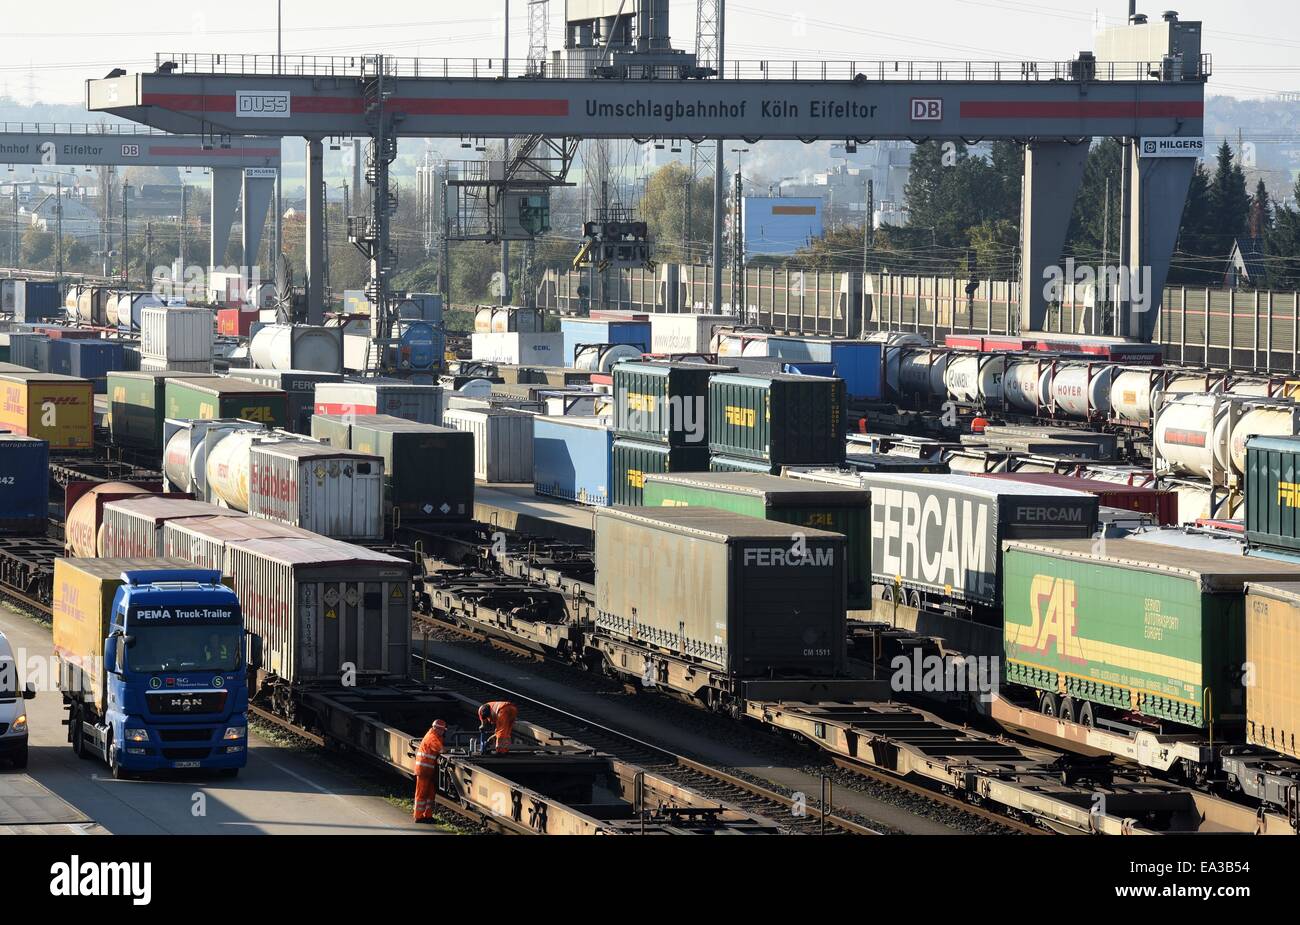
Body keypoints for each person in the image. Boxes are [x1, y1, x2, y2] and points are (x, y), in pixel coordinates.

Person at [412, 719, 446, 823]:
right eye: (442, 730)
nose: (443, 732)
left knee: (430, 794)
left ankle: (427, 815)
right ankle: (418, 816)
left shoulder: (436, 737)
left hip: (428, 770)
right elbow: (441, 749)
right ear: (436, 729)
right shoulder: (432, 737)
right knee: (421, 793)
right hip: (423, 770)